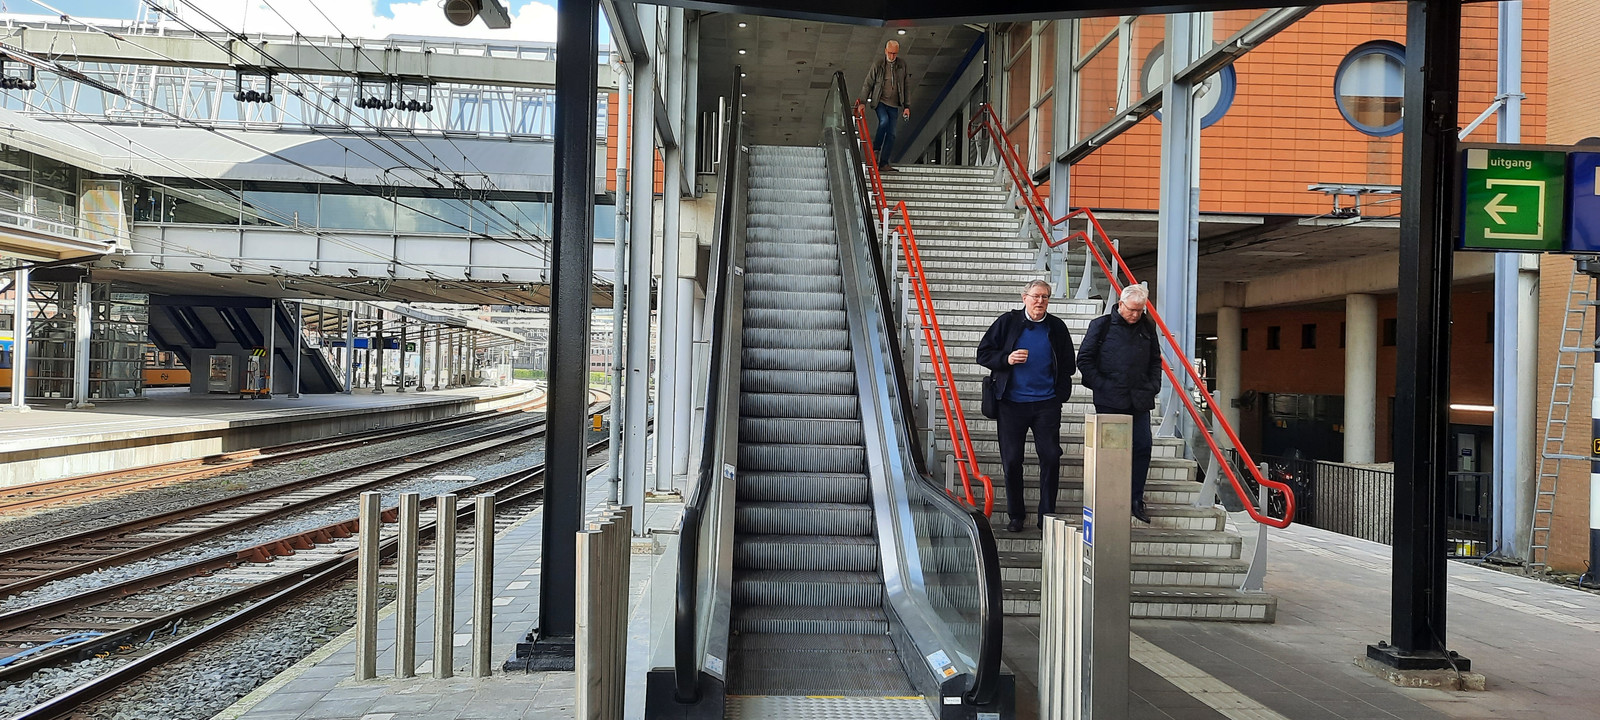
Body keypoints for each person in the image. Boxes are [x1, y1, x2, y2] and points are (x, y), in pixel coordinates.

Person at [976, 280, 1077, 532]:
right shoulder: (1008, 322)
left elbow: (1068, 364)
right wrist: (1006, 359)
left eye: (1045, 297)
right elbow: (983, 353)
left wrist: (1059, 395)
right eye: (1035, 296)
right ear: (1024, 298)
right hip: (1011, 403)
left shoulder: (1056, 327)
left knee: (1051, 457)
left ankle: (1047, 515)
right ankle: (1016, 515)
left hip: (1046, 404)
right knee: (1011, 460)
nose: (1040, 301)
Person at [1077, 284, 1163, 524]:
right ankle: (1109, 498)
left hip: (1140, 399)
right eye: (1132, 310)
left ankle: (1136, 498)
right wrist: (1102, 385)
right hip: (1110, 400)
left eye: (1140, 310)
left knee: (1143, 447)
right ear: (1120, 304)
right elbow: (1084, 360)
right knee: (1111, 452)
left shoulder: (1147, 326)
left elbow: (1155, 361)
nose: (1136, 315)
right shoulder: (1101, 325)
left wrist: (1153, 385)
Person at [858, 39, 912, 172]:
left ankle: (883, 162)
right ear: (885, 51)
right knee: (884, 121)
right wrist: (862, 102)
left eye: (894, 53)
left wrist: (907, 106)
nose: (892, 56)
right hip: (880, 101)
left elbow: (906, 85)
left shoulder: (902, 65)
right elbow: (868, 83)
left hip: (894, 104)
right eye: (890, 53)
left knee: (892, 134)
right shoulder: (879, 64)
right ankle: (876, 149)